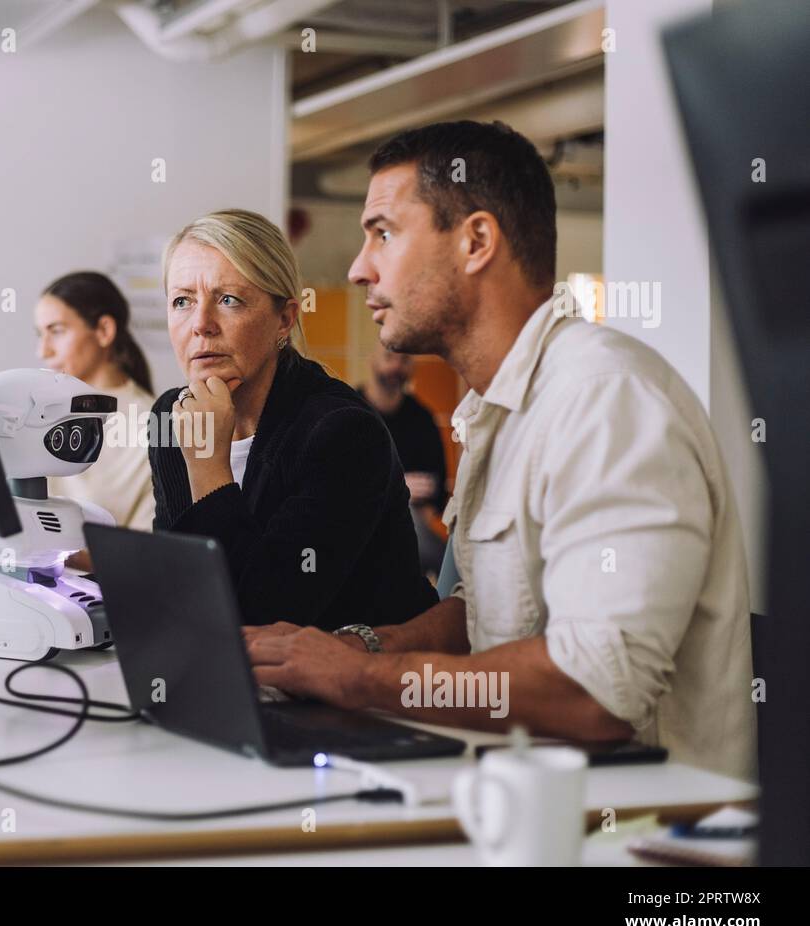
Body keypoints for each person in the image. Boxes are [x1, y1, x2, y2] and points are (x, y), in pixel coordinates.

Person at [244, 120, 756, 780]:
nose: (358, 267)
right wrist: (352, 648)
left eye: (384, 233)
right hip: (521, 793)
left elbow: (594, 691)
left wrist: (360, 679)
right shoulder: (499, 409)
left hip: (639, 824)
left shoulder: (606, 398)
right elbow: (483, 616)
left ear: (476, 241)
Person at [150, 209, 436, 630]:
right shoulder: (170, 414)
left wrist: (208, 467)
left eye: (228, 300)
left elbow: (263, 618)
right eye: (182, 301)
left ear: (284, 319)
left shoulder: (342, 432)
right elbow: (177, 579)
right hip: (224, 663)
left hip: (363, 667)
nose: (201, 325)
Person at [36, 272, 155, 538]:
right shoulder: (42, 411)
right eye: (40, 334)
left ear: (104, 331)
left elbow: (146, 548)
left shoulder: (153, 426)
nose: (43, 351)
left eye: (56, 331)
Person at [359, 340, 447, 574]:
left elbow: (434, 494)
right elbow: (336, 485)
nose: (396, 366)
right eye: (389, 357)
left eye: (405, 359)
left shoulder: (422, 420)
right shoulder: (348, 412)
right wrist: (397, 487)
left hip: (407, 532)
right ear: (372, 360)